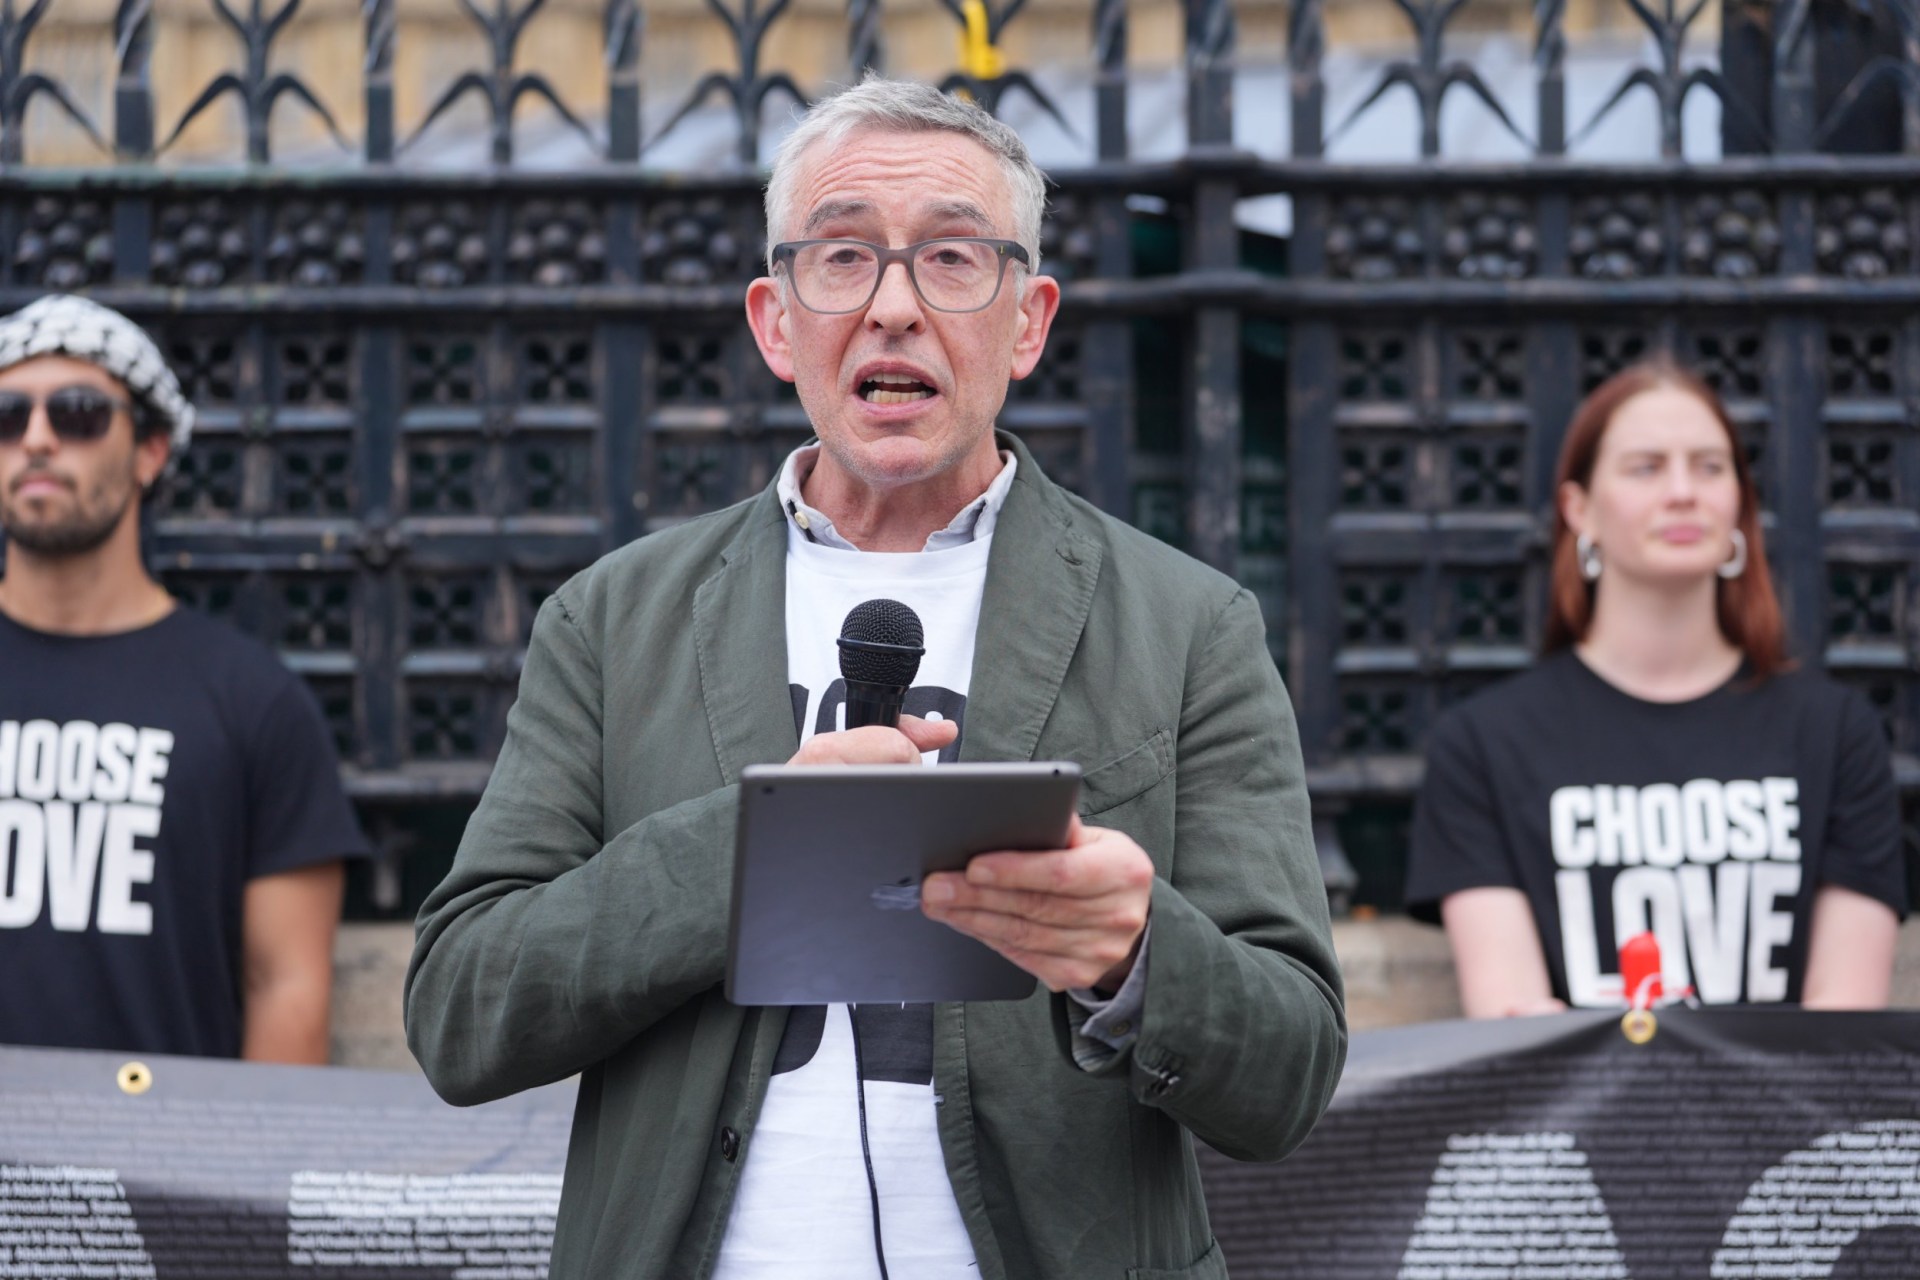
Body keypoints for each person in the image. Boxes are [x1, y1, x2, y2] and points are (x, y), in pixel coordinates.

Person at [406, 78, 1345, 1279]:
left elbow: (1291, 1072)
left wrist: (1134, 952)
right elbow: (462, 1012)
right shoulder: (611, 620)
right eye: (843, 256)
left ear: (1028, 320)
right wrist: (754, 845)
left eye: (952, 259)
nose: (894, 306)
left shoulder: (1186, 625)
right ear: (775, 319)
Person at [1406, 357, 1905, 1016]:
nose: (1682, 492)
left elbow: (1844, 1023)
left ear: (1738, 507)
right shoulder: (1482, 746)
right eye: (1646, 467)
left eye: (1709, 466)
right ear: (1578, 508)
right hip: (1582, 1118)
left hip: (1786, 1119)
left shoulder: (1837, 733)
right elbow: (1512, 1026)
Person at [0, 294, 368, 1062]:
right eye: (8, 416)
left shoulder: (254, 702)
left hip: (157, 1170)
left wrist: (251, 1176)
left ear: (150, 451)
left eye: (77, 414)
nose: (35, 440)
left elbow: (286, 987)